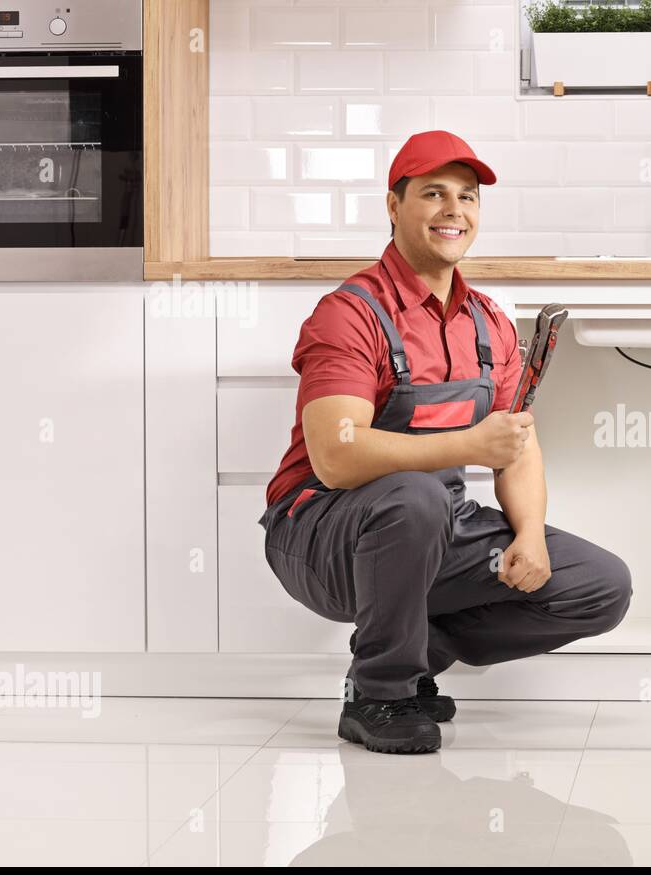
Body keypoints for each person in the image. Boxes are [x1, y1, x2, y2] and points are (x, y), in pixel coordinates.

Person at [257, 130, 632, 755]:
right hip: (320, 534)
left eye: (468, 196)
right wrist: (468, 442)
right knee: (415, 497)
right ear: (394, 206)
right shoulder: (350, 314)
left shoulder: (489, 322)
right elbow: (337, 455)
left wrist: (532, 535)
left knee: (599, 584)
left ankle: (415, 652)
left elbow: (517, 443)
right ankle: (379, 693)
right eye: (433, 193)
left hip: (431, 529)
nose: (454, 210)